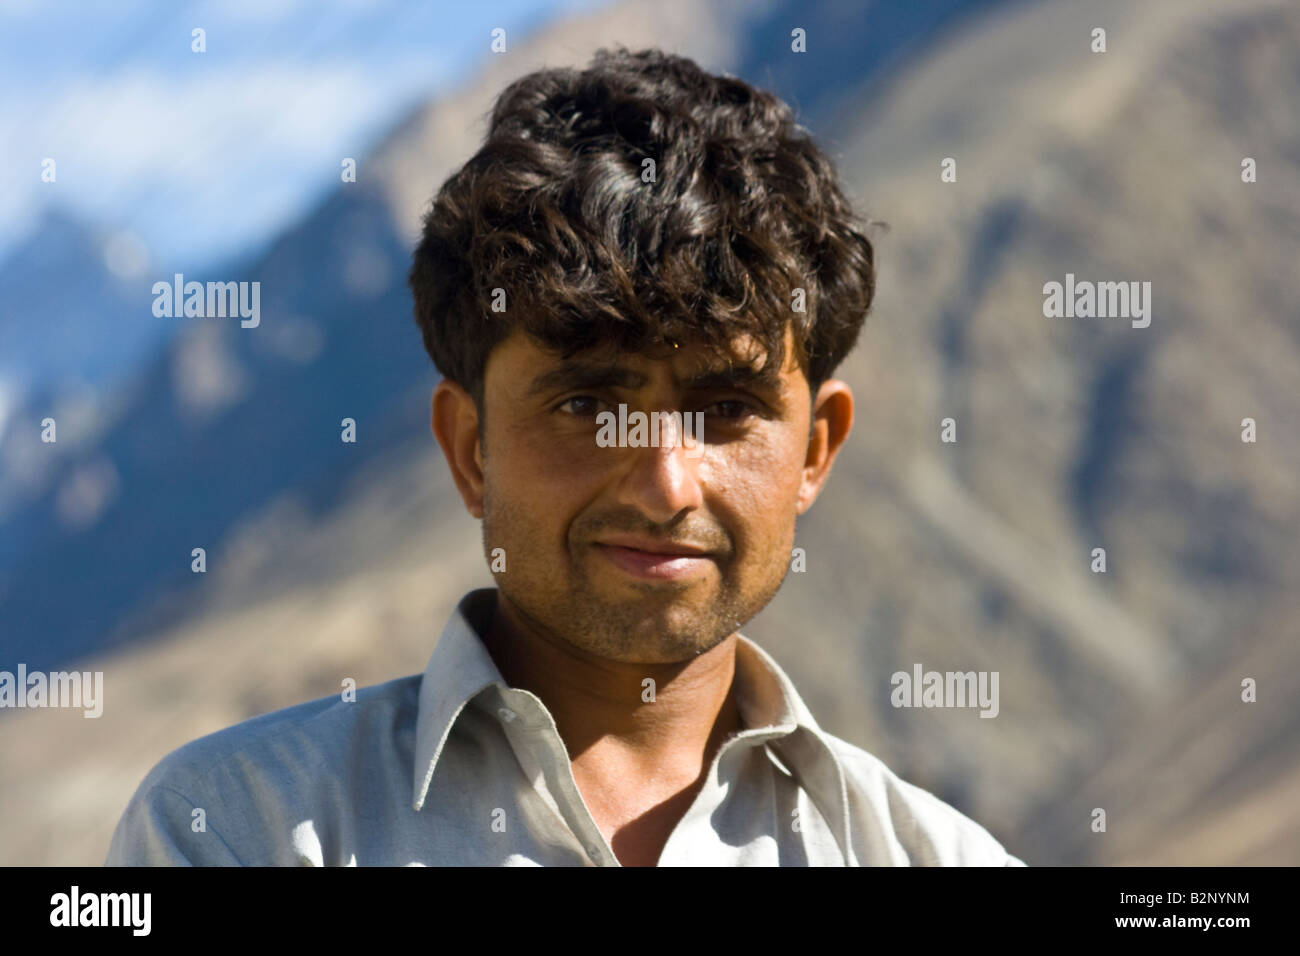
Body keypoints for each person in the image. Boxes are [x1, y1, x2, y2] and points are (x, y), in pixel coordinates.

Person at [106, 46, 1025, 867]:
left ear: (816, 450)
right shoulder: (237, 833)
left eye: (726, 410)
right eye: (589, 405)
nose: (667, 483)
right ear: (471, 449)